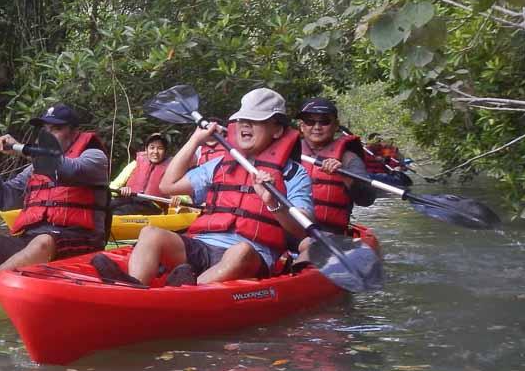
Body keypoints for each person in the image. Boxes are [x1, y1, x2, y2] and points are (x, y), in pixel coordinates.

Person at [90, 88, 313, 287]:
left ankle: (185, 291)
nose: (245, 124)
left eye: (256, 120)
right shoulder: (220, 165)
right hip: (202, 246)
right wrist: (195, 140)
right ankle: (134, 286)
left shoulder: (293, 173)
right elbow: (168, 185)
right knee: (150, 233)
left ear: (277, 130)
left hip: (251, 255)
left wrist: (273, 202)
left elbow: (301, 229)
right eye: (242, 119)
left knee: (241, 251)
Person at [0, 103, 109, 276]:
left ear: (74, 133)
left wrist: (22, 149)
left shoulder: (94, 157)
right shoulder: (33, 170)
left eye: (56, 129)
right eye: (46, 129)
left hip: (79, 240)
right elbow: (2, 199)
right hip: (32, 239)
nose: (48, 134)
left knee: (42, 242)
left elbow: (68, 170)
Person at [295, 98, 376, 253]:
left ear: (336, 125)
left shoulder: (348, 158)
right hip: (290, 229)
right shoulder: (287, 154)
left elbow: (367, 199)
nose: (317, 127)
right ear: (302, 126)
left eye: (324, 121)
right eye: (310, 121)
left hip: (329, 233)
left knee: (308, 244)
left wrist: (345, 175)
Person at [109, 132, 170, 214]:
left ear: (165, 151)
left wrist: (178, 198)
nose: (155, 151)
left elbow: (183, 195)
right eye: (152, 148)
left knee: (119, 212)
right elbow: (113, 186)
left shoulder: (171, 168)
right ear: (146, 149)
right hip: (130, 198)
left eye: (160, 148)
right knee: (106, 206)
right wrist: (120, 190)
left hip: (152, 205)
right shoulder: (135, 163)